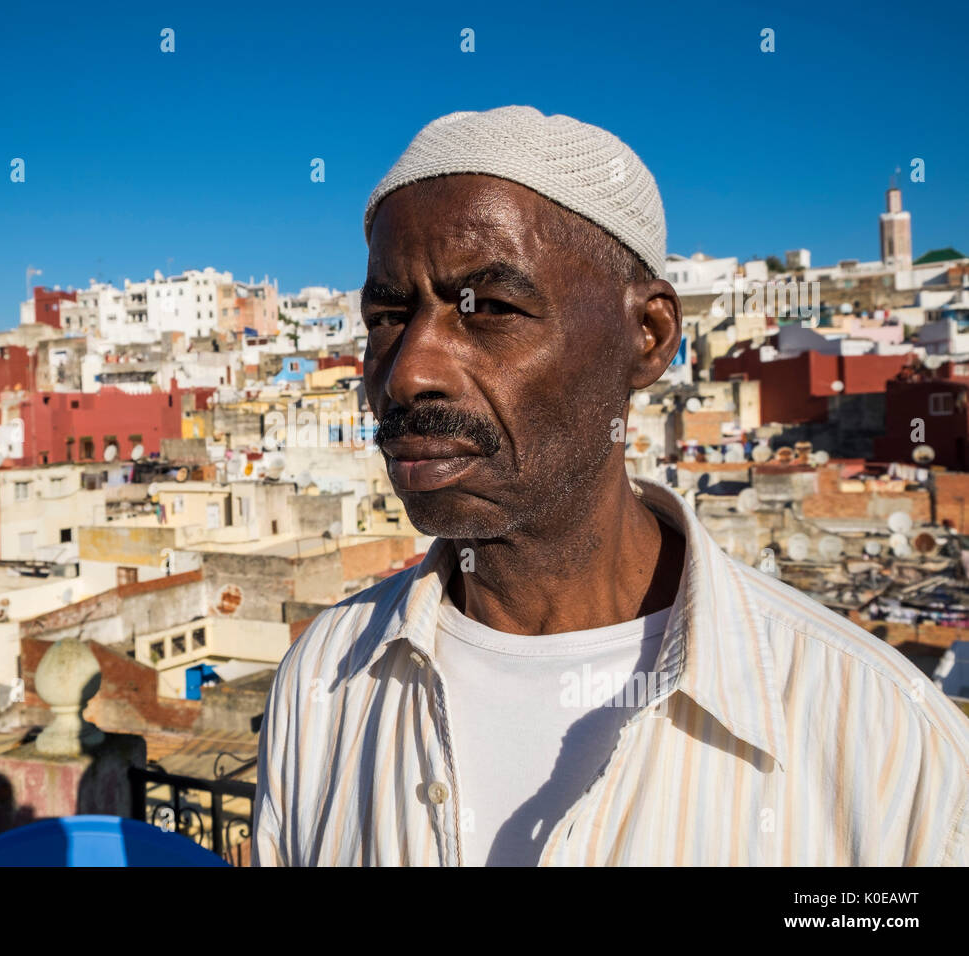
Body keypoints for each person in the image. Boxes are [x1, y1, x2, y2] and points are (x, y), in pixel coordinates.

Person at [252, 106, 969, 866]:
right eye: (389, 317)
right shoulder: (325, 678)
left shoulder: (884, 740)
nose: (410, 371)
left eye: (491, 309)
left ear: (650, 335)